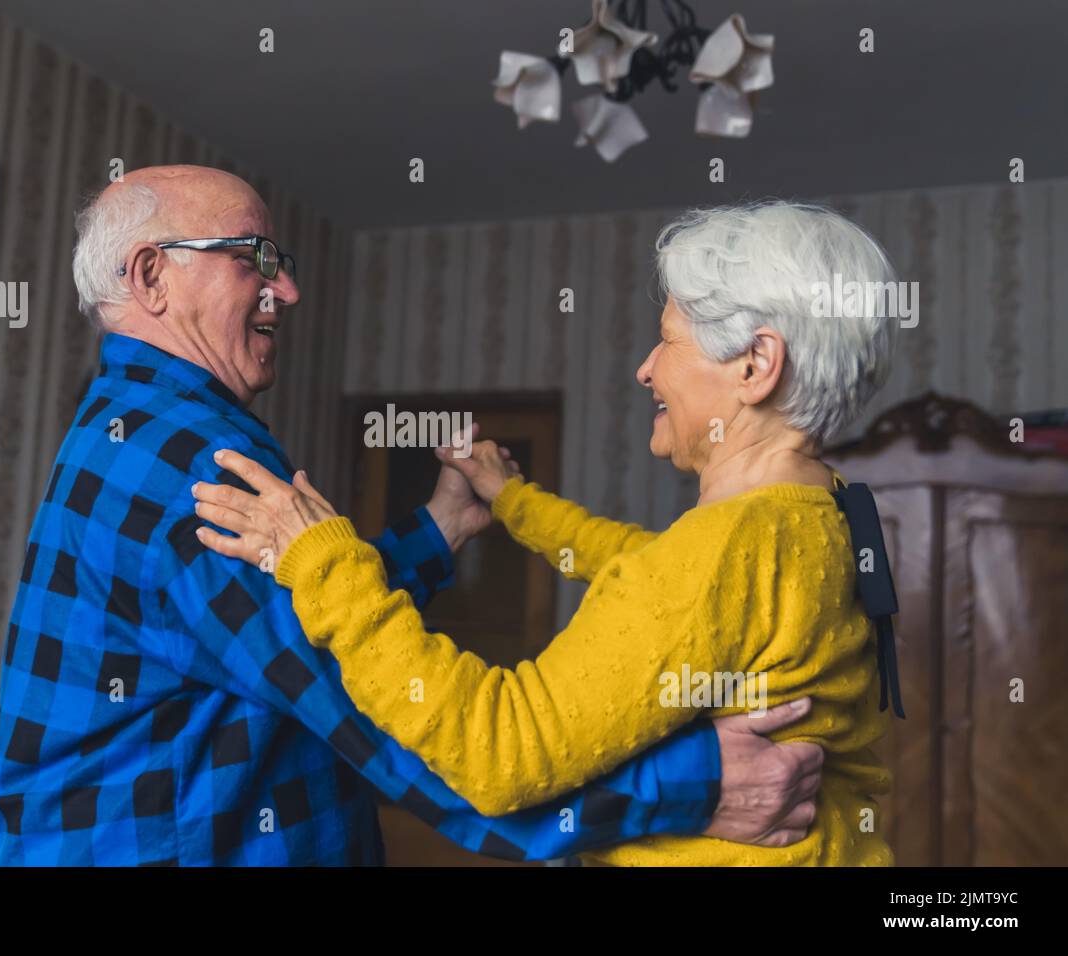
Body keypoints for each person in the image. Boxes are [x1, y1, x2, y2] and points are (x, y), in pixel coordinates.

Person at [0, 169, 822, 865]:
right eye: (253, 258)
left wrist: (441, 528)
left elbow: (312, 633)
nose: (290, 288)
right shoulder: (196, 467)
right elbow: (400, 728)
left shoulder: (145, 425)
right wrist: (696, 786)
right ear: (152, 276)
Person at [191, 200, 897, 865]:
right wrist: (514, 501)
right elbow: (645, 566)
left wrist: (324, 563)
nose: (646, 367)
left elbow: (500, 752)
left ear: (756, 365)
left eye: (669, 339)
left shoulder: (724, 552)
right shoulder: (819, 515)